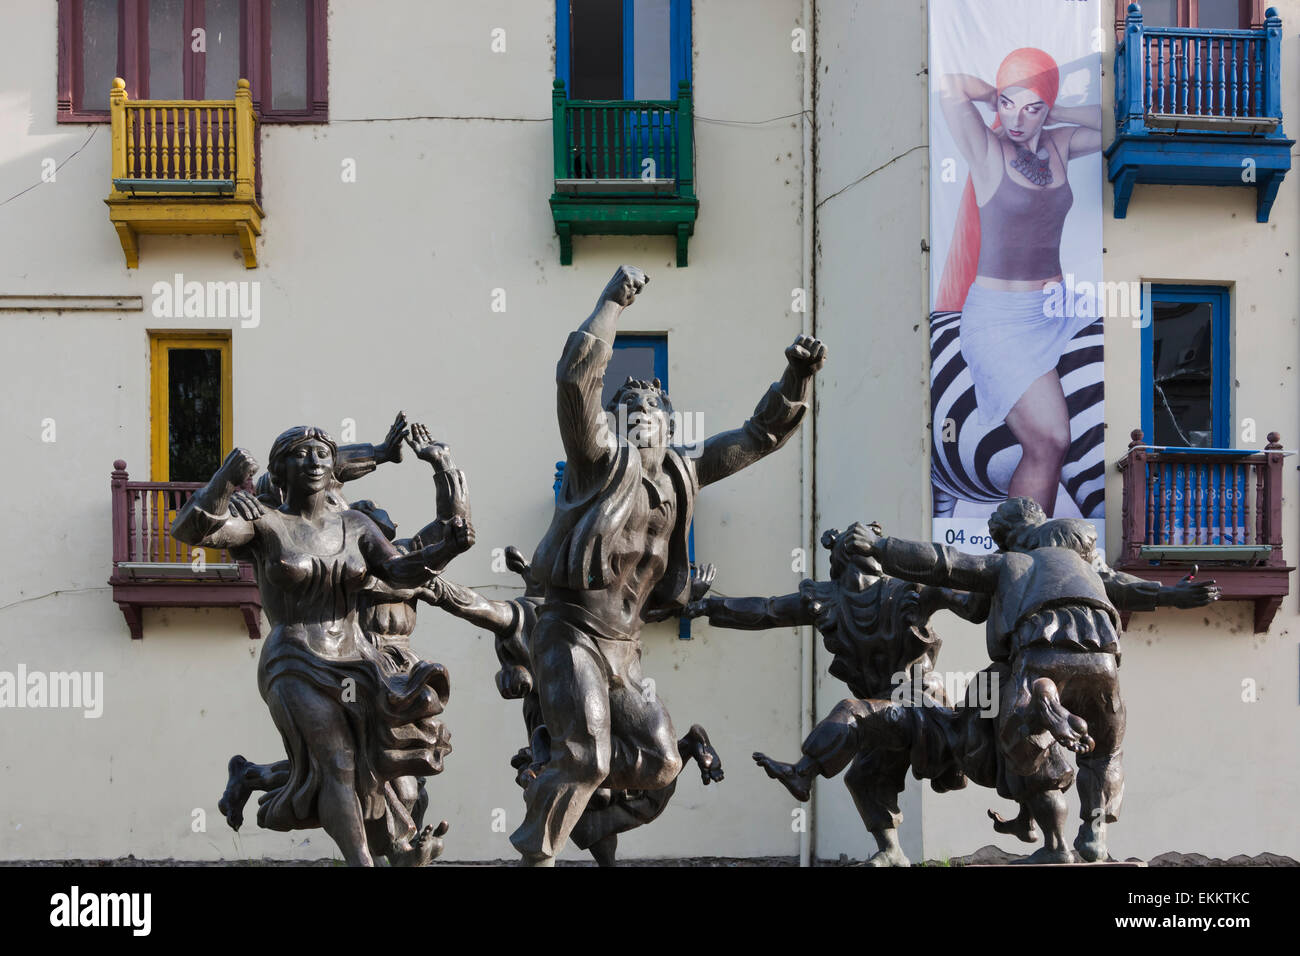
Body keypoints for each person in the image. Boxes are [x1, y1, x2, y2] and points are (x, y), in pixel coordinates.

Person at [512, 264, 826, 865]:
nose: (639, 412)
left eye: (650, 406)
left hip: (625, 648)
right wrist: (611, 304)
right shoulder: (597, 465)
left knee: (659, 761)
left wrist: (797, 376)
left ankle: (576, 813)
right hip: (570, 632)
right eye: (627, 406)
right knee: (588, 758)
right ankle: (540, 849)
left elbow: (759, 436)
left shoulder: (684, 476)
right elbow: (573, 383)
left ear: (670, 424)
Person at [842, 499, 1218, 862]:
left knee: (1022, 744)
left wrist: (879, 546)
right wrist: (1175, 594)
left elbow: (945, 563)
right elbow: (1123, 585)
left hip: (1040, 653)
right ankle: (1094, 832)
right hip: (1103, 660)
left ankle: (1046, 710)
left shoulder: (1011, 563)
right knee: (1105, 751)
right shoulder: (1085, 567)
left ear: (1007, 537)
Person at [172, 426, 473, 867]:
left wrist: (445, 548)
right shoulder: (264, 523)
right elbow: (190, 531)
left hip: (354, 665)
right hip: (293, 662)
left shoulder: (356, 526)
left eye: (321, 454)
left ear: (333, 468)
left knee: (373, 766)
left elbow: (398, 571)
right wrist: (225, 478)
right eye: (300, 454)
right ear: (280, 469)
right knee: (338, 762)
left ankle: (393, 843)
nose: (313, 461)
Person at [685, 526, 988, 866]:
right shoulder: (827, 600)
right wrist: (707, 606)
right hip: (880, 707)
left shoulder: (907, 592)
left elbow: (966, 600)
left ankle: (803, 772)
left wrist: (996, 581)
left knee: (851, 712)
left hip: (919, 702)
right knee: (862, 778)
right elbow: (767, 610)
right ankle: (891, 853)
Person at [431, 548, 721, 866]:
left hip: (583, 709)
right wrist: (434, 584)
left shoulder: (566, 612)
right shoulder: (529, 614)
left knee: (592, 785)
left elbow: (635, 614)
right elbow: (485, 621)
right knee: (585, 800)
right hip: (557, 713)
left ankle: (684, 749)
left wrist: (684, 596)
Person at [937, 48, 1102, 514]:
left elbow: (1113, 121)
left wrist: (1051, 108)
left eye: (1031, 109)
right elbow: (949, 85)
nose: (1017, 118)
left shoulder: (1059, 143)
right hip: (1000, 321)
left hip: (1055, 309)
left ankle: (1038, 553)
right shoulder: (987, 150)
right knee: (1050, 439)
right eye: (1010, 106)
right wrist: (998, 94)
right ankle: (1024, 558)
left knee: (1122, 330)